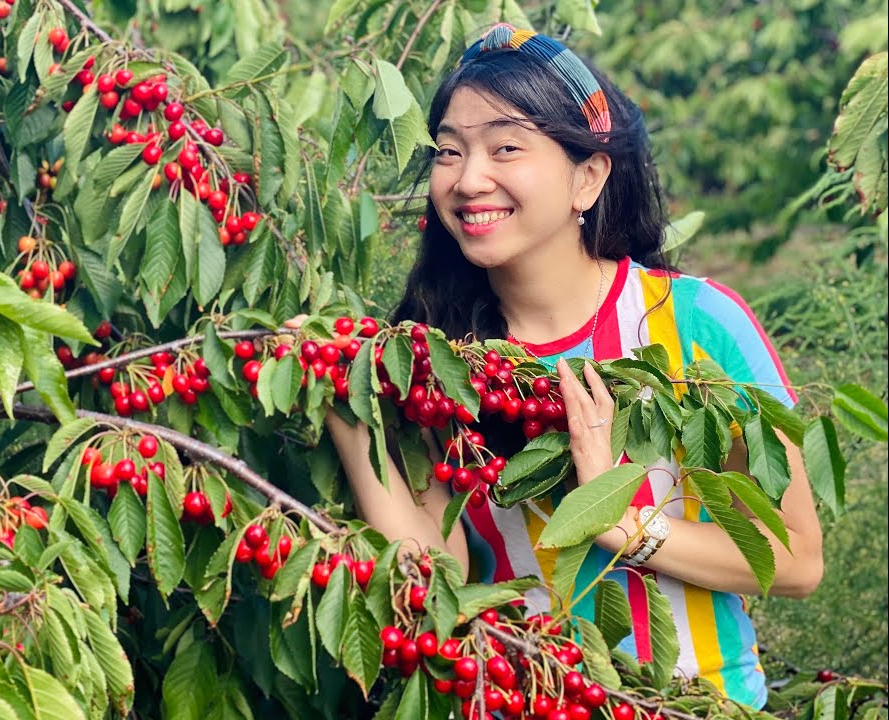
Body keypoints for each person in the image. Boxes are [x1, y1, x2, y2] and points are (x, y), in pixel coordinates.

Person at [305, 23, 824, 709]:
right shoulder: (435, 359)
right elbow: (438, 582)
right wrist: (350, 418)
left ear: (588, 177)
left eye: (505, 147)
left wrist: (617, 520)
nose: (469, 179)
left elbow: (796, 560)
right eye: (450, 151)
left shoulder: (697, 325)